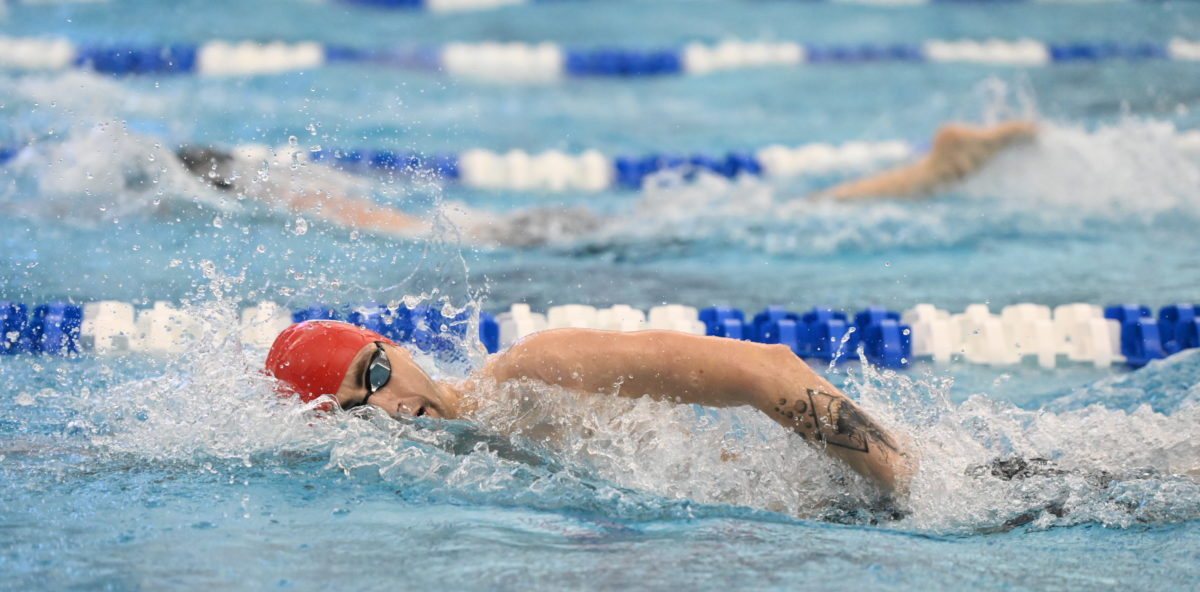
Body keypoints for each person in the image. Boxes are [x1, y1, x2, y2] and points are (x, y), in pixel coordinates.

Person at [265, 319, 916, 495]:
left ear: (396, 347)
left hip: (861, 495)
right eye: (357, 410)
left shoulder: (534, 372)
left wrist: (903, 483)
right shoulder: (441, 479)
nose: (389, 406)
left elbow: (763, 369)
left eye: (374, 372)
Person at [178, 121, 1036, 244]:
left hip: (533, 236)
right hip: (537, 222)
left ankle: (928, 173)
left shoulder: (311, 201)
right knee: (769, 211)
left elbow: (361, 213)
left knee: (766, 221)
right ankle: (926, 173)